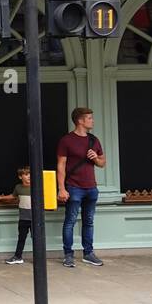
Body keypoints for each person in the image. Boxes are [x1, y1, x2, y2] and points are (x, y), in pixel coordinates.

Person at [56, 107, 106, 268]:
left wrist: (95, 158)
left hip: (91, 187)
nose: (92, 121)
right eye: (89, 118)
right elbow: (61, 165)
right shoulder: (66, 140)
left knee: (89, 221)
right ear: (80, 121)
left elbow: (102, 163)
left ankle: (88, 253)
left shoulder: (94, 140)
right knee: (70, 221)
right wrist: (61, 188)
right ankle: (68, 255)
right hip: (74, 187)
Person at [0, 166, 33, 264]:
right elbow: (12, 196)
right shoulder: (18, 187)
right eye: (26, 174)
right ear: (20, 177)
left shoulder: (37, 186)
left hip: (35, 219)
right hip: (23, 218)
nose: (29, 176)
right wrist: (2, 198)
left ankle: (39, 258)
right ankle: (18, 256)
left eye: (30, 174)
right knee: (21, 238)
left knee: (36, 239)